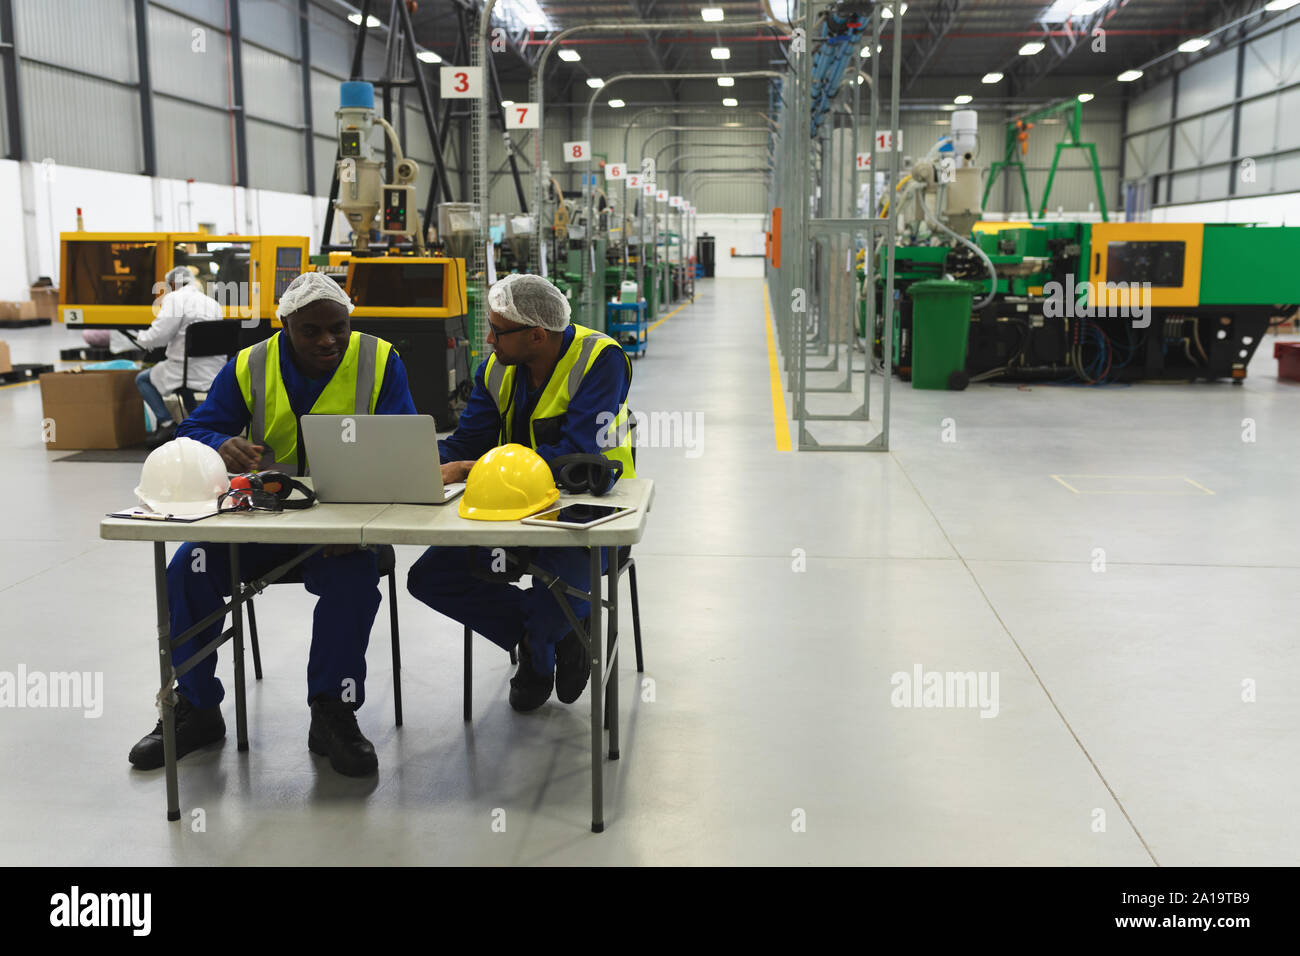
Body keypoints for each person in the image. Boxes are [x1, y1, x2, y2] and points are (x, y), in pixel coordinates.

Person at [128, 272, 417, 777]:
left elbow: (404, 449)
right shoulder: (251, 363)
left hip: (346, 529)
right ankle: (197, 710)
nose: (328, 340)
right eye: (311, 331)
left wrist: (362, 530)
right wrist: (220, 444)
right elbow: (195, 426)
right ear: (285, 324)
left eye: (339, 327)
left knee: (353, 583)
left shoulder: (379, 358)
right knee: (187, 570)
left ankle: (332, 711)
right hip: (265, 518)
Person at [406, 273, 636, 712]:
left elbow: (577, 452)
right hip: (511, 510)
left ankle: (542, 642)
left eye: (497, 331)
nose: (488, 339)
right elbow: (467, 441)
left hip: (590, 515)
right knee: (430, 578)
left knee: (562, 589)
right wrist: (421, 462)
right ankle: (544, 636)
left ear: (535, 335)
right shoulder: (497, 368)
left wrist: (468, 469)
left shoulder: (600, 359)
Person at [132, 267, 226, 444]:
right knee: (182, 385)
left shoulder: (175, 299)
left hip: (185, 367)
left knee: (143, 379)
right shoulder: (211, 302)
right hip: (213, 369)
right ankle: (194, 424)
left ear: (173, 283)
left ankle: (167, 424)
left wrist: (141, 338)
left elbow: (159, 334)